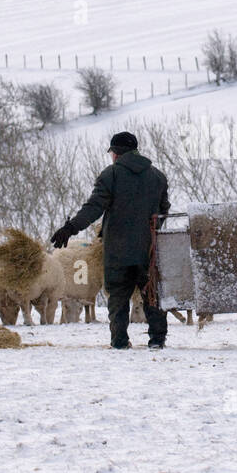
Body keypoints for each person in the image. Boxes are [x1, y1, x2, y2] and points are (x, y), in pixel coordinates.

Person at [51, 131, 170, 349]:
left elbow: (94, 208)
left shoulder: (111, 175)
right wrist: (150, 233)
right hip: (149, 248)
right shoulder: (158, 176)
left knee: (118, 296)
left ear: (116, 153)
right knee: (152, 294)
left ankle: (119, 341)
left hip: (118, 249)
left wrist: (70, 228)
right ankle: (157, 340)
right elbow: (164, 210)